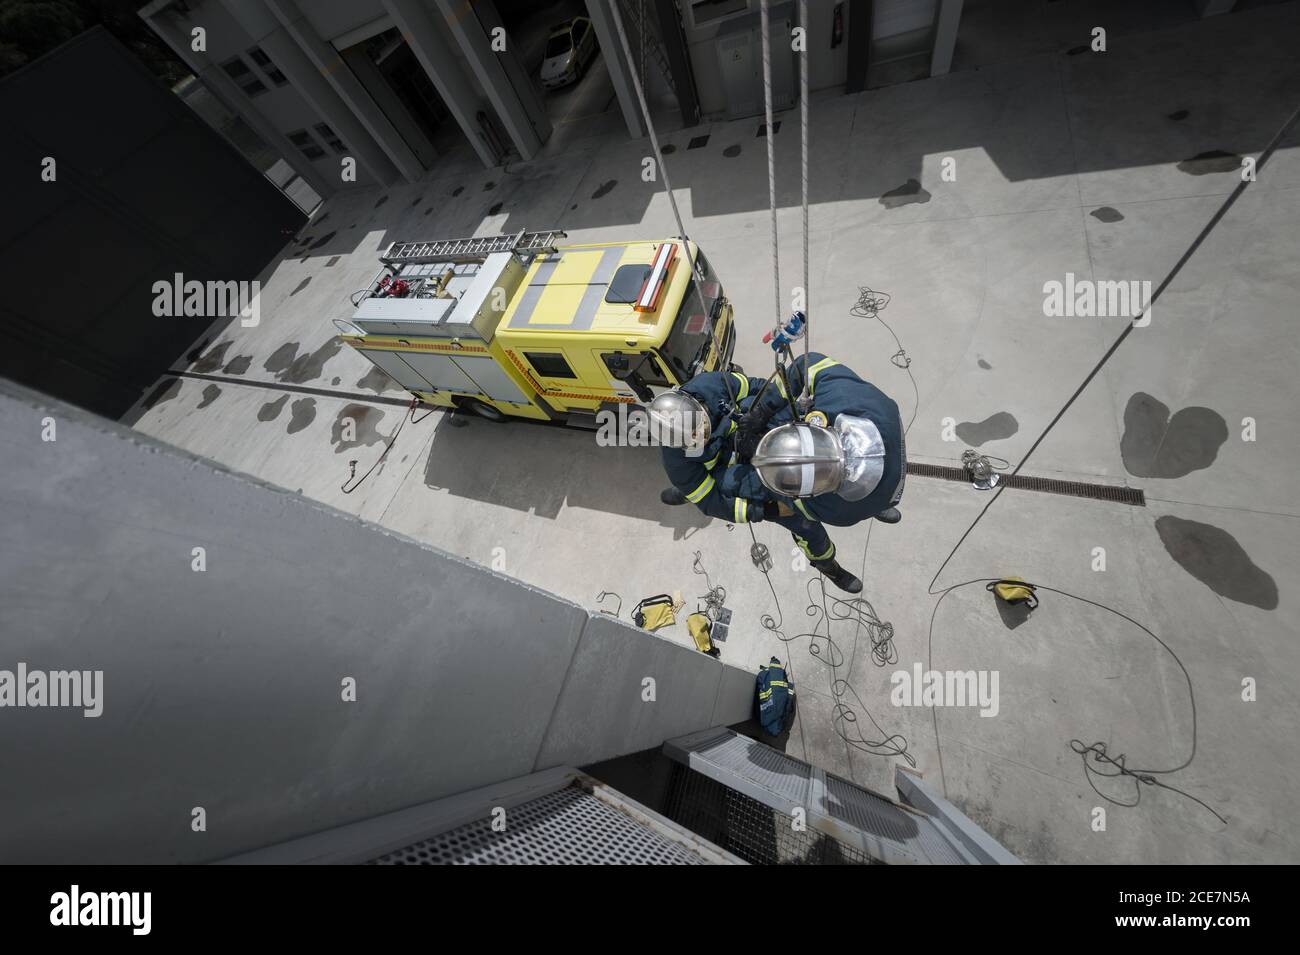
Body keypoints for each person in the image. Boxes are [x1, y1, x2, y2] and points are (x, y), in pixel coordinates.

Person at [650, 367, 867, 593]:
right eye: (692, 440)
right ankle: (828, 565)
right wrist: (767, 510)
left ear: (695, 405)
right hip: (724, 471)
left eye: (700, 428)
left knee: (785, 420)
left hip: (746, 434)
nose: (701, 438)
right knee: (802, 519)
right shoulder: (676, 460)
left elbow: (757, 386)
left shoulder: (709, 385)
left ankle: (863, 488)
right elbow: (711, 502)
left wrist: (759, 415)